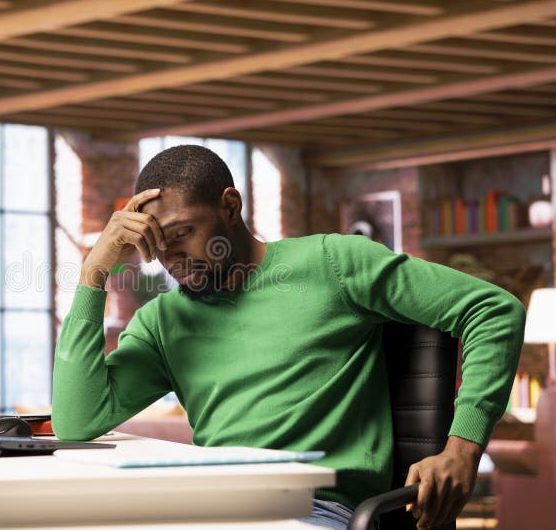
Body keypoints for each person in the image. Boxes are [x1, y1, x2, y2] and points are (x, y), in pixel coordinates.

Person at [52, 145, 525, 529]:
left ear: (230, 207)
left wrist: (462, 449)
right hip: (208, 508)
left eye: (183, 233)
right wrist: (95, 271)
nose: (169, 256)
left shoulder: (333, 264)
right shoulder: (162, 322)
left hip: (317, 509)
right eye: (155, 241)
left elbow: (493, 310)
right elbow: (77, 421)